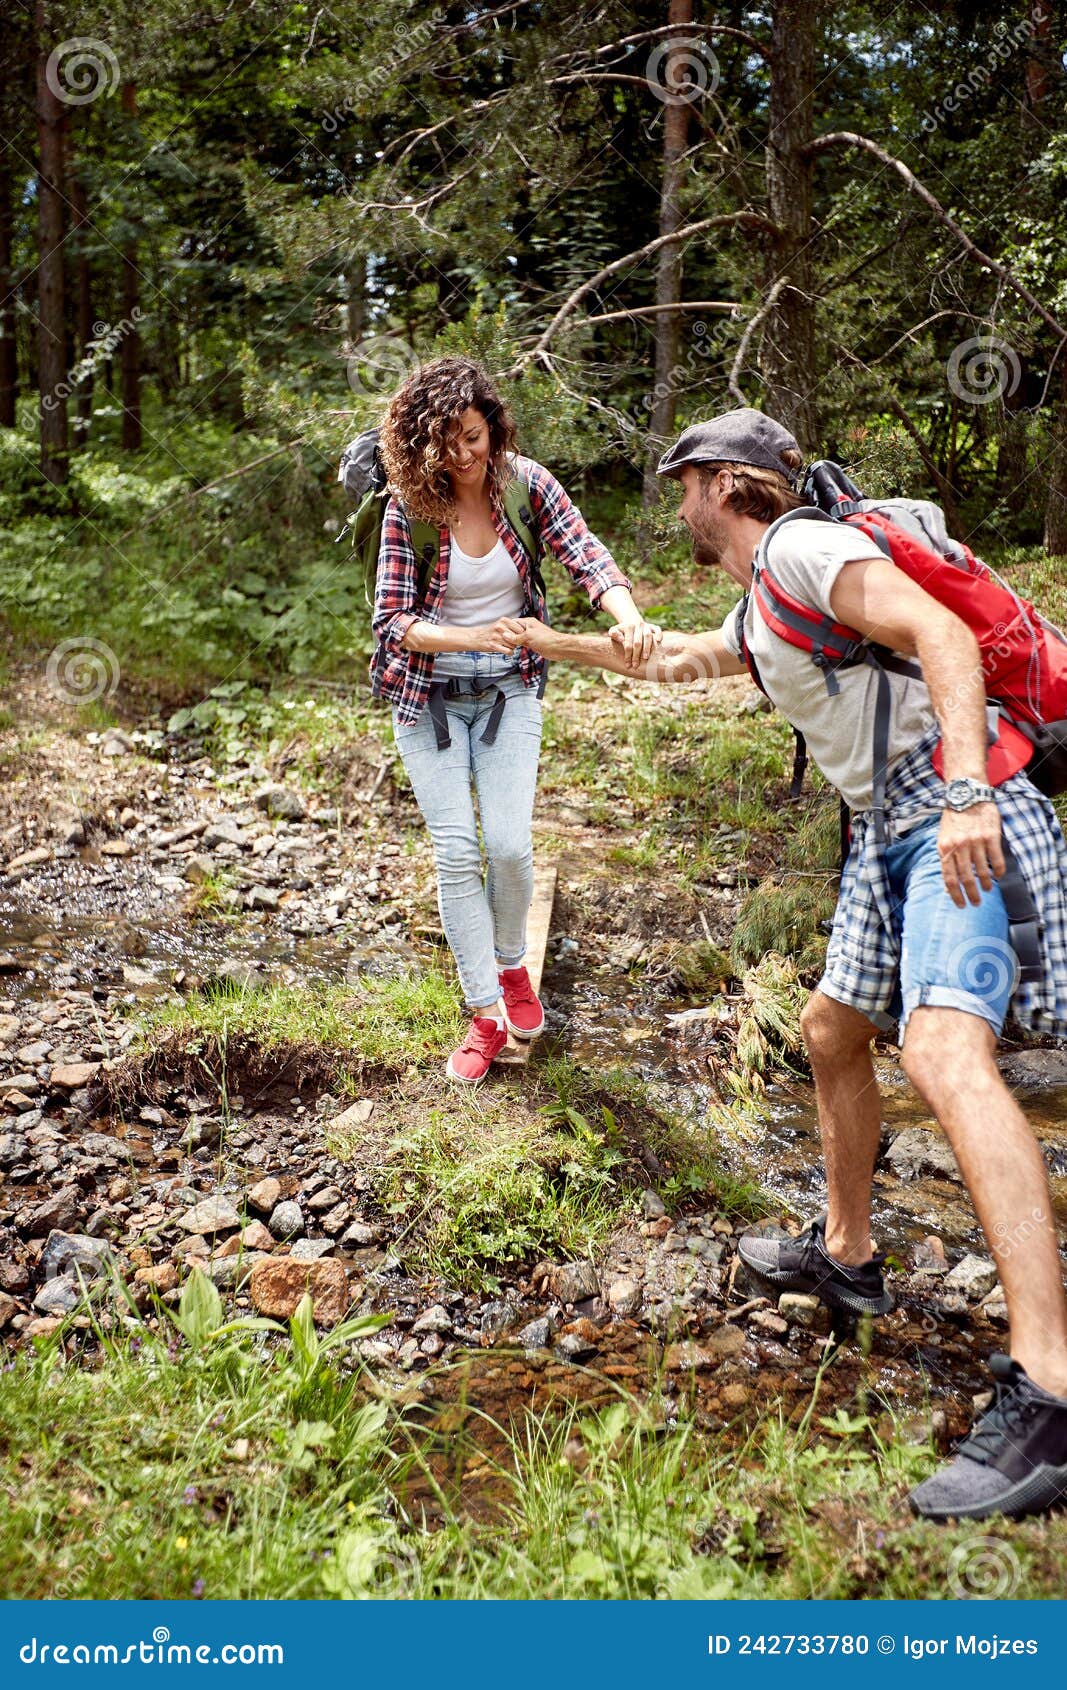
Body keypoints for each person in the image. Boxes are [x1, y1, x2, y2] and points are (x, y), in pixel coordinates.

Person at [513, 406, 1067, 1521]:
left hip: (951, 806)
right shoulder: (765, 593)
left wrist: (964, 795)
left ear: (723, 482)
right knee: (828, 1031)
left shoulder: (807, 547)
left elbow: (941, 637)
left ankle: (1048, 1388)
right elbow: (678, 660)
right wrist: (551, 644)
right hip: (881, 830)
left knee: (943, 1054)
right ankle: (849, 1258)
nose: (675, 505)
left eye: (682, 484)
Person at [371, 355, 660, 1083]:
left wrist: (627, 618)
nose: (464, 457)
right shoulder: (408, 508)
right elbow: (393, 622)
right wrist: (472, 635)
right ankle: (480, 1015)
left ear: (491, 426)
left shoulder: (527, 486)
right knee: (456, 851)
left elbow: (584, 555)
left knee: (507, 848)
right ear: (419, 447)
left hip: (510, 693)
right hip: (426, 697)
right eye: (445, 444)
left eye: (473, 437)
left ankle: (511, 969)